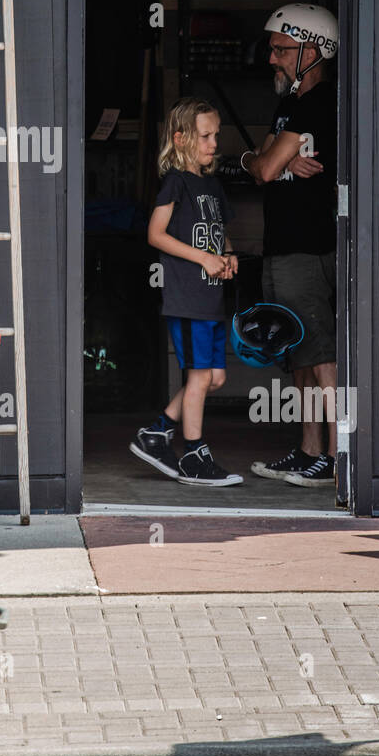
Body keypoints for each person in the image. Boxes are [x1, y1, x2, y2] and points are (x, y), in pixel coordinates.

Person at [239, 4, 338, 487]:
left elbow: (262, 169)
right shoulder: (289, 105)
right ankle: (309, 451)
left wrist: (269, 162)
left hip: (309, 245)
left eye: (282, 49)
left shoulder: (319, 102)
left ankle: (339, 461)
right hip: (282, 245)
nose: (272, 58)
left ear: (314, 50)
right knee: (297, 352)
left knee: (320, 354)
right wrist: (269, 159)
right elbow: (262, 162)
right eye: (272, 48)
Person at [130, 98, 242, 486]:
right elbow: (155, 234)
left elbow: (220, 231)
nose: (214, 143)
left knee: (215, 378)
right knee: (197, 378)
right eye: (205, 136)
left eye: (216, 135)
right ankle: (193, 455)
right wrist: (203, 259)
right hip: (188, 299)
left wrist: (227, 255)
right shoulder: (175, 182)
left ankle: (157, 431)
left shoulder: (212, 184)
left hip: (211, 298)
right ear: (180, 139)